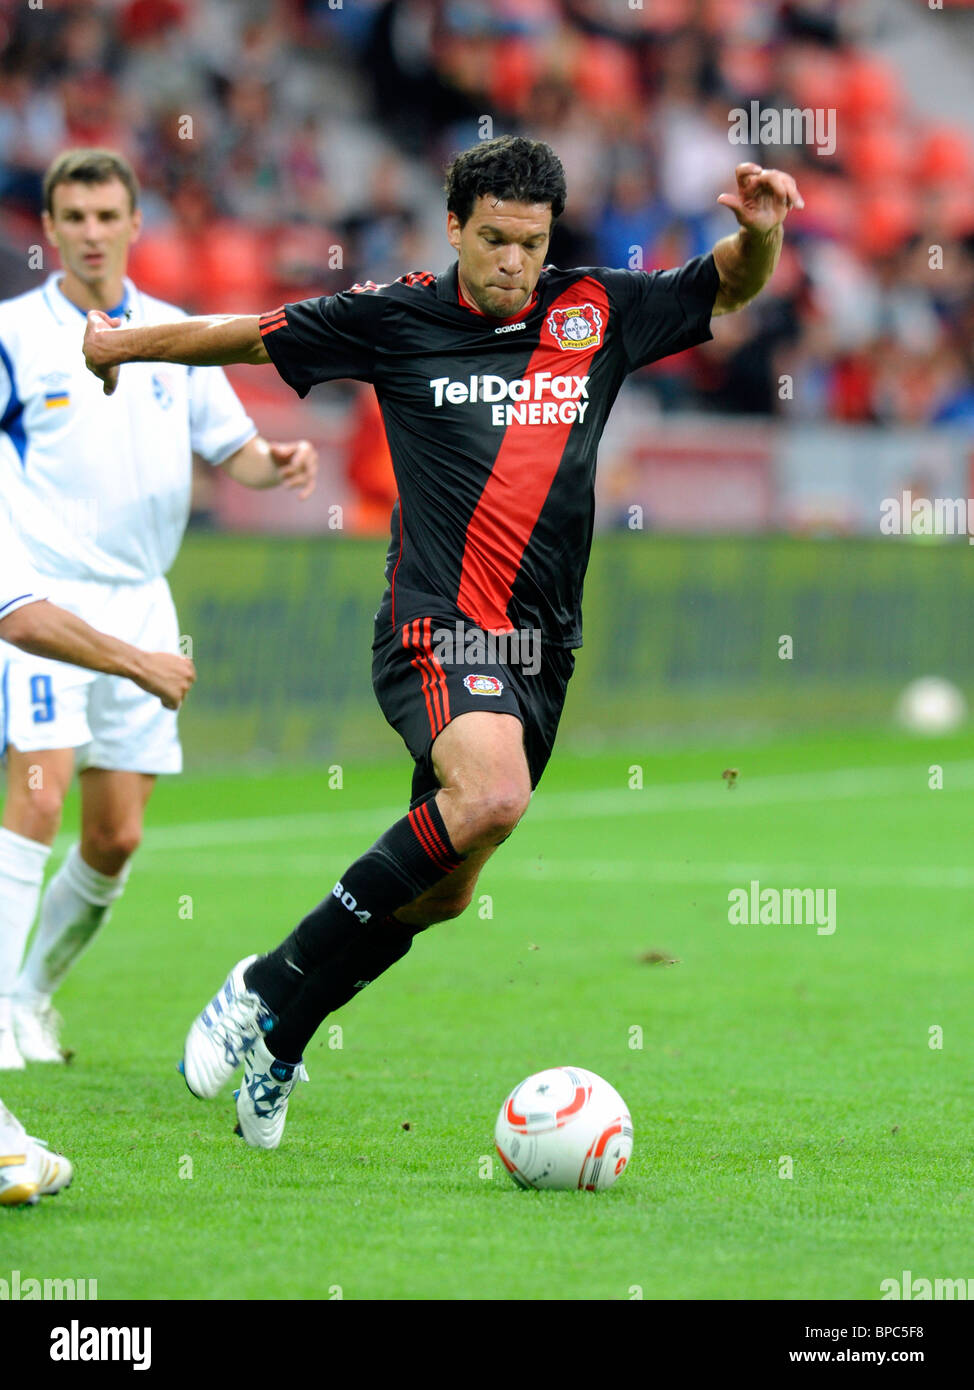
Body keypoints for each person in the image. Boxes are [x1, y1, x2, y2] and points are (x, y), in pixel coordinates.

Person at [82, 137, 803, 1149]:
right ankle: (263, 980)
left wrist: (759, 233)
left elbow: (725, 287)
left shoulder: (594, 312)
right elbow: (247, 337)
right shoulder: (394, 316)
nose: (513, 261)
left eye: (531, 243)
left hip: (542, 649)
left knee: (445, 891)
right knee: (490, 795)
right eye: (495, 238)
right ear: (455, 225)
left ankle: (287, 1034)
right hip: (436, 623)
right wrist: (122, 346)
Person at [0, 148, 318, 1069]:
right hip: (44, 595)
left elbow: (235, 449)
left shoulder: (178, 333)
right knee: (37, 794)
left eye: (109, 215)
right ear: (50, 229)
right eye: (76, 216)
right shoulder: (16, 334)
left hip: (144, 598)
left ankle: (32, 998)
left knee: (115, 836)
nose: (93, 232)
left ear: (136, 225)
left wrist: (280, 465)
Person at [1, 506, 194, 1199]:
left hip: (118, 605)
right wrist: (141, 664)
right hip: (75, 622)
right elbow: (20, 617)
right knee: (37, 803)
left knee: (113, 834)